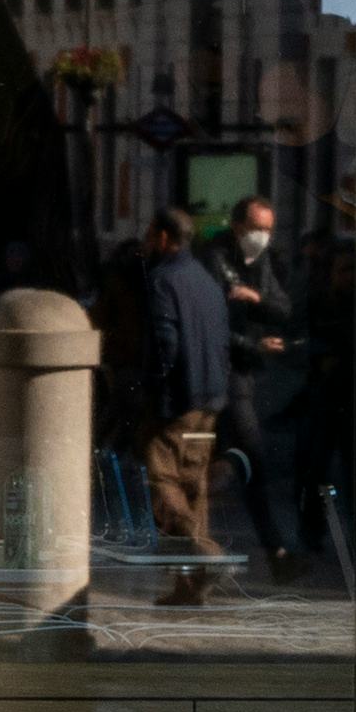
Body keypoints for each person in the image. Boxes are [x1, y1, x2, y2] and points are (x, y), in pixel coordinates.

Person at [138, 208, 232, 595]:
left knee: (161, 480)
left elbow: (166, 342)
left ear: (163, 237)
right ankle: (189, 586)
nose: (145, 241)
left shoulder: (163, 279)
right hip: (209, 398)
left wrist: (153, 384)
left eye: (149, 233)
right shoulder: (206, 280)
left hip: (177, 400)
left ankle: (206, 555)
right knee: (193, 488)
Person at [211, 196, 305, 580]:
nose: (262, 237)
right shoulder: (216, 258)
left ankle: (272, 550)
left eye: (268, 229)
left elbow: (283, 309)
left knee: (237, 462)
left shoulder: (261, 264)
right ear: (237, 226)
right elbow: (212, 322)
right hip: (226, 376)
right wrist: (255, 344)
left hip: (245, 375)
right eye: (256, 228)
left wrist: (256, 298)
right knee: (251, 459)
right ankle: (276, 550)